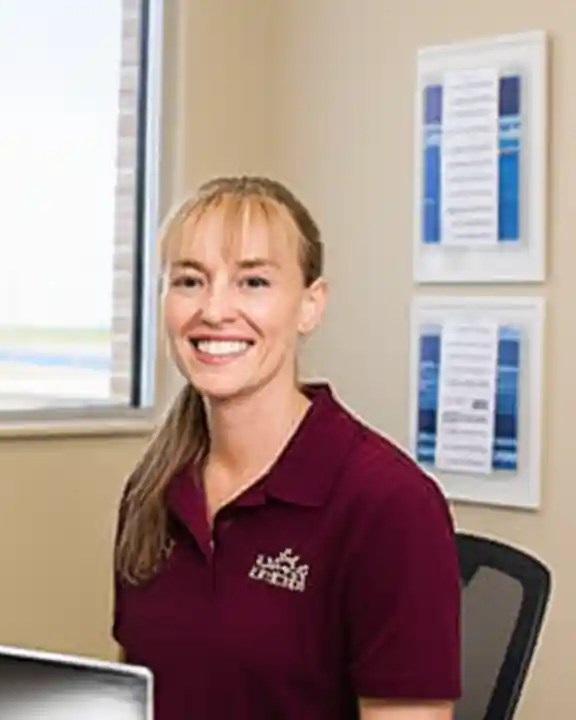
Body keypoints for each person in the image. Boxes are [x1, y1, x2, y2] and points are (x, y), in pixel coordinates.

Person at [112, 176, 461, 719]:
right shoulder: (154, 489)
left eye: (252, 282)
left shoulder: (390, 504)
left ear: (310, 305)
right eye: (189, 280)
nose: (214, 309)